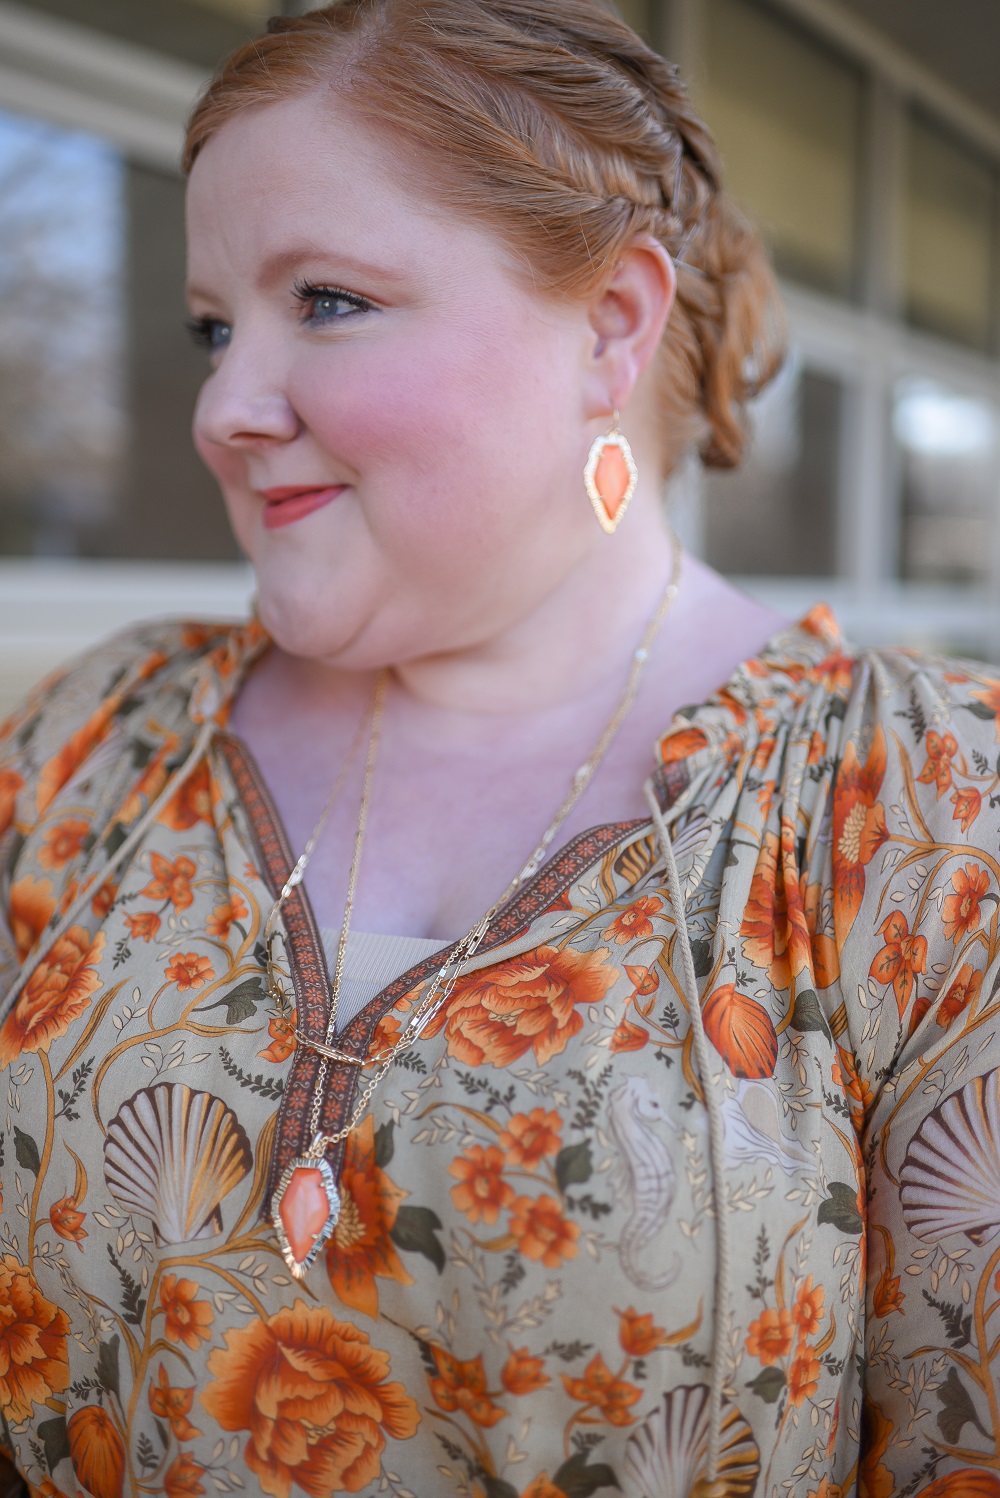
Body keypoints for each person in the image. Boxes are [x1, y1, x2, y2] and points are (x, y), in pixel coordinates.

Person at [2, 2, 1000, 1494]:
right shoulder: (95, 743)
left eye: (326, 300)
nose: (221, 407)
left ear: (612, 326)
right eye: (215, 324)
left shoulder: (917, 816)